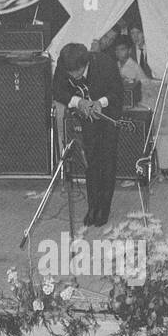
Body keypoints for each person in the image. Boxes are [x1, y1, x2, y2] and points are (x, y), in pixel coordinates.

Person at [52, 41, 123, 229]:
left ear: (85, 64)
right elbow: (58, 90)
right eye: (70, 73)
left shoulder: (105, 64)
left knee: (107, 160)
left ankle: (104, 209)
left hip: (108, 115)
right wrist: (78, 101)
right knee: (91, 162)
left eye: (77, 72)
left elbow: (118, 92)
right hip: (87, 117)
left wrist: (100, 103)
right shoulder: (64, 64)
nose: (73, 77)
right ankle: (92, 207)